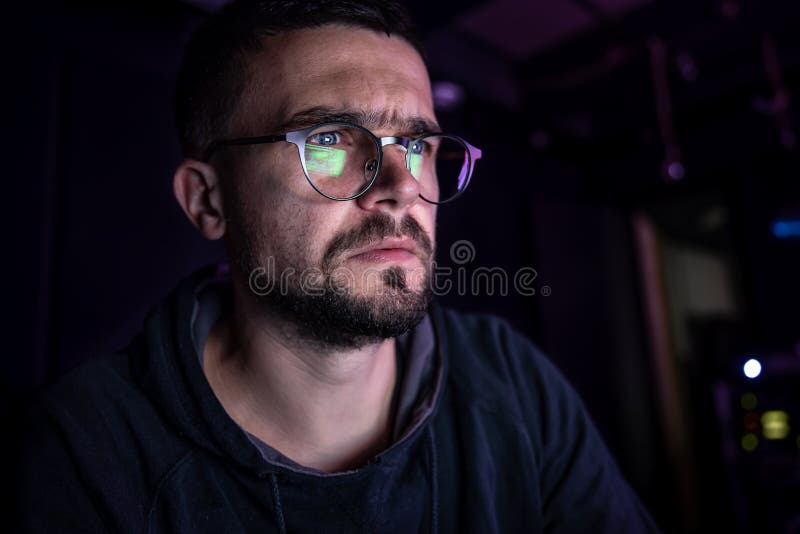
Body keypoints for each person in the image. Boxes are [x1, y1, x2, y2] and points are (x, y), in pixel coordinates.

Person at [13, 1, 660, 532]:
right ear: (210, 201)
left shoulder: (512, 386)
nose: (403, 186)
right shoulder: (86, 456)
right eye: (328, 142)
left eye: (416, 144)